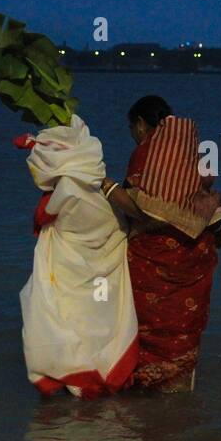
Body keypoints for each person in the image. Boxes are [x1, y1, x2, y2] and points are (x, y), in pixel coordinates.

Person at [100, 96, 221, 392]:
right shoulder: (190, 154)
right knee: (182, 325)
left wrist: (106, 186)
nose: (133, 134)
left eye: (132, 127)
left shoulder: (146, 153)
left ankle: (148, 385)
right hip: (194, 253)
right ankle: (178, 389)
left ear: (141, 124)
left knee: (150, 323)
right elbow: (197, 200)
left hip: (157, 256)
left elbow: (141, 208)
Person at [16, 116, 138, 397]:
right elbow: (119, 227)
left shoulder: (63, 192)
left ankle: (70, 376)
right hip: (101, 273)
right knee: (99, 318)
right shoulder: (102, 194)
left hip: (70, 273)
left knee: (70, 318)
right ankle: (103, 372)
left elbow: (41, 219)